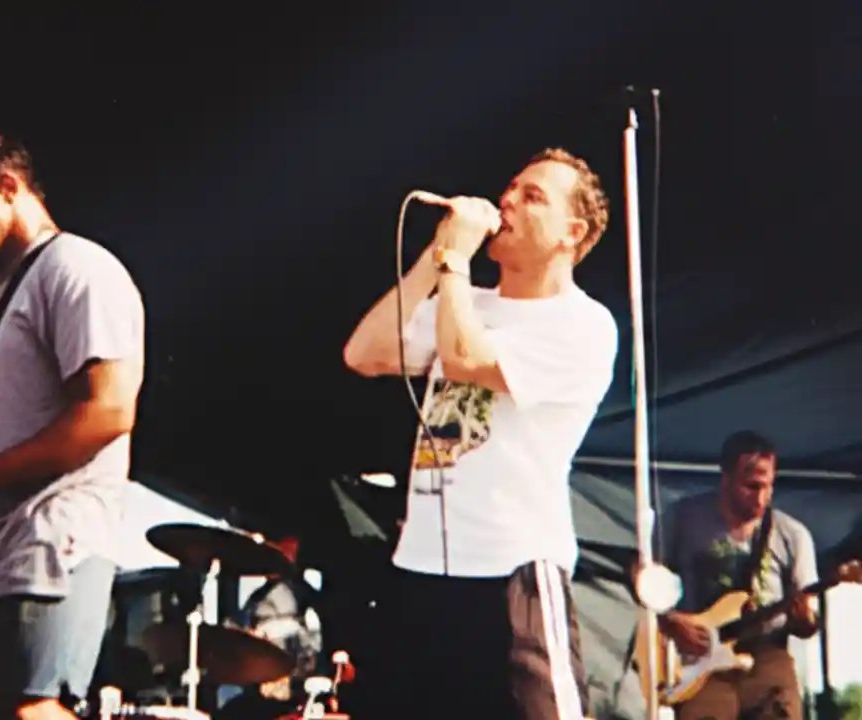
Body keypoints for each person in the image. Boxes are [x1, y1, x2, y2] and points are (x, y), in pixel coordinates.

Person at [342, 148, 618, 718]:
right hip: (420, 568)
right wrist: (437, 257)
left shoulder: (583, 324)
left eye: (533, 196)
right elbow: (364, 353)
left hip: (511, 572)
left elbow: (467, 358)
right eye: (511, 188)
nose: (508, 201)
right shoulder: (465, 298)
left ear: (573, 232)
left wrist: (457, 265)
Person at [0, 126, 146, 720]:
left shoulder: (76, 267)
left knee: (31, 710)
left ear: (8, 185)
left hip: (50, 545)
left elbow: (110, 409)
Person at [658, 431, 820, 720]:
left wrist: (804, 618)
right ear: (726, 479)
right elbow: (645, 578)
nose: (761, 498)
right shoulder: (682, 518)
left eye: (768, 487)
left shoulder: (793, 535)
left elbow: (807, 624)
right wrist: (669, 620)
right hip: (699, 656)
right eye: (751, 486)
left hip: (767, 654)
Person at [217, 531, 325, 720]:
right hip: (259, 680)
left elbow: (312, 646)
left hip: (291, 686)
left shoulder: (305, 597)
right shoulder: (258, 597)